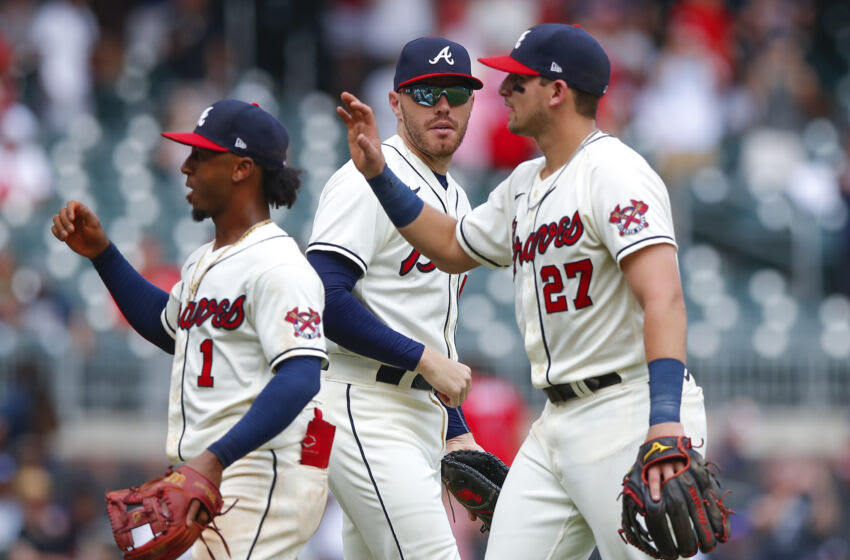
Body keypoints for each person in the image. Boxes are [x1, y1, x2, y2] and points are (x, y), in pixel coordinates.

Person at [337, 23, 710, 560]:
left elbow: (664, 298)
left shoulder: (615, 173)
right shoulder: (523, 183)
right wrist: (378, 175)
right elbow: (449, 243)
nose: (503, 90)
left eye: (518, 81)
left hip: (628, 410)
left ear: (556, 92)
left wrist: (666, 419)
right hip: (556, 422)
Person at [51, 99, 333, 560]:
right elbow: (169, 328)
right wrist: (102, 255)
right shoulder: (205, 260)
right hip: (217, 471)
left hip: (259, 472)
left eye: (200, 156)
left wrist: (215, 458)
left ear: (242, 168)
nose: (185, 167)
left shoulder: (280, 266)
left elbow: (302, 377)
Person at [305, 37, 482, 560]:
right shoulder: (367, 178)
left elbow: (429, 325)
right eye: (427, 93)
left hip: (416, 411)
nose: (444, 106)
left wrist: (455, 429)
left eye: (456, 92)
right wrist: (426, 361)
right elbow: (324, 298)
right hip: (362, 405)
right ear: (395, 102)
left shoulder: (457, 196)